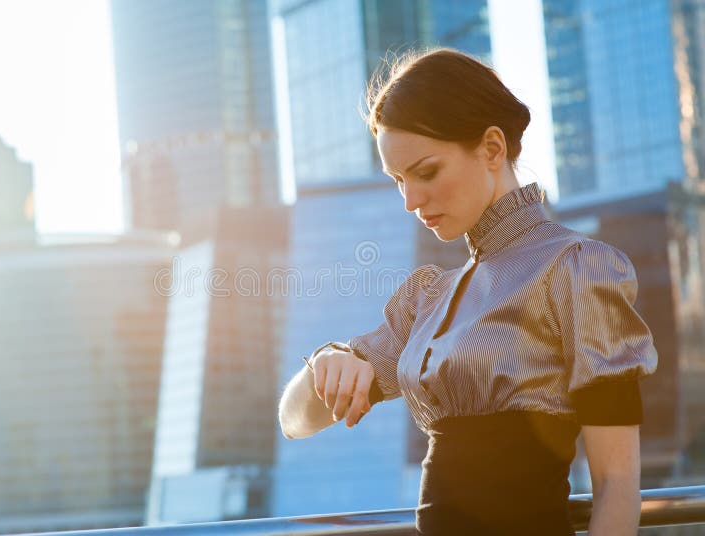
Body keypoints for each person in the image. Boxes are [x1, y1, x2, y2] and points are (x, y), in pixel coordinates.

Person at [277, 47, 658, 535]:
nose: (411, 200)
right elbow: (295, 421)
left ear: (493, 149)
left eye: (426, 171)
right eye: (398, 181)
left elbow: (618, 485)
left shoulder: (579, 268)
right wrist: (328, 360)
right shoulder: (428, 299)